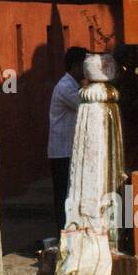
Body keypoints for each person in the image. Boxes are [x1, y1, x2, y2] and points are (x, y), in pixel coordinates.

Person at [47, 47, 88, 235]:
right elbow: (85, 106)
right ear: (75, 66)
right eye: (84, 66)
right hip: (62, 151)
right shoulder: (65, 87)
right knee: (65, 195)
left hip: (69, 149)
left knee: (71, 194)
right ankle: (63, 234)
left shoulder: (74, 86)